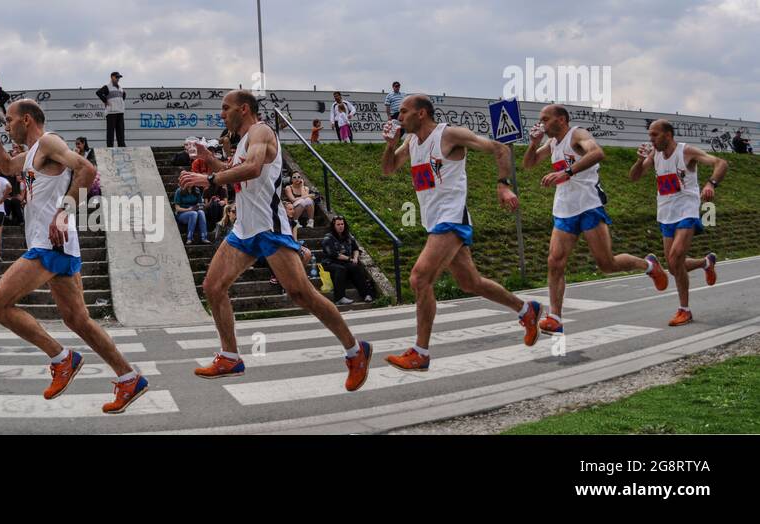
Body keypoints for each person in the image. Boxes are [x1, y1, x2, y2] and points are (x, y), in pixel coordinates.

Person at [178, 89, 373, 391]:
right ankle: (230, 356)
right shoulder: (244, 140)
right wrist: (211, 163)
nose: (221, 114)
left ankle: (355, 350)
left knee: (302, 294)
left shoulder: (261, 130)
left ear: (243, 109)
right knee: (213, 287)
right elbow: (238, 174)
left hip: (269, 227)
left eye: (225, 107)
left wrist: (210, 180)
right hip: (245, 229)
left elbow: (254, 168)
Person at [0, 100, 150, 413]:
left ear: (26, 120)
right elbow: (5, 166)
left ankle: (61, 358)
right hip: (60, 244)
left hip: (49, 242)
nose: (6, 125)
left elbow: (87, 168)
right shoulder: (30, 154)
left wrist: (62, 212)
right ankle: (129, 377)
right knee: (77, 319)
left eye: (9, 120)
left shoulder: (48, 142)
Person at [380, 94, 542, 371]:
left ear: (421, 113)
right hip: (434, 222)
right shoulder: (411, 142)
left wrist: (503, 185)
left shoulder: (449, 135)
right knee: (471, 283)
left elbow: (499, 147)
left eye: (404, 111)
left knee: (419, 278)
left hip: (452, 220)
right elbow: (388, 169)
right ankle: (527, 310)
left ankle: (421, 352)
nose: (398, 117)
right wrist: (391, 145)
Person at [523, 104, 667, 334]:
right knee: (555, 261)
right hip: (564, 209)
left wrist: (566, 172)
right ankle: (555, 317)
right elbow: (529, 164)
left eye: (545, 119)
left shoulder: (577, 134)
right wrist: (533, 143)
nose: (541, 123)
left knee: (606, 264)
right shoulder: (551, 143)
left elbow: (597, 153)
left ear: (561, 119)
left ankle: (649, 265)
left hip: (589, 206)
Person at [629, 119, 728, 326]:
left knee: (674, 258)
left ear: (668, 134)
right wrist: (639, 161)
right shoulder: (654, 155)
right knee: (674, 267)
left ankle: (685, 310)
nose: (651, 139)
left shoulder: (686, 152)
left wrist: (711, 184)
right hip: (665, 212)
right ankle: (705, 262)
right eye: (650, 135)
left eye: (655, 135)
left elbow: (721, 163)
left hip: (687, 210)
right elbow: (634, 177)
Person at [321, 216, 373, 305]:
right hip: (330, 263)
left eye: (342, 224)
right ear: (334, 226)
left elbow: (356, 249)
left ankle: (366, 294)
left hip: (345, 262)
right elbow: (334, 254)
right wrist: (349, 259)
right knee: (340, 269)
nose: (341, 226)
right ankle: (339, 298)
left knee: (355, 267)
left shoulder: (348, 236)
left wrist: (355, 258)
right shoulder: (328, 238)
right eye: (338, 224)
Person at [96, 72, 127, 147]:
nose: (118, 79)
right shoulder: (107, 87)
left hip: (120, 112)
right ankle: (109, 148)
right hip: (111, 113)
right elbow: (98, 92)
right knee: (110, 132)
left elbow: (124, 94)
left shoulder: (120, 87)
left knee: (121, 132)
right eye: (116, 77)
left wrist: (120, 103)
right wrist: (105, 101)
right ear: (112, 77)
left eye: (119, 77)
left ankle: (122, 146)